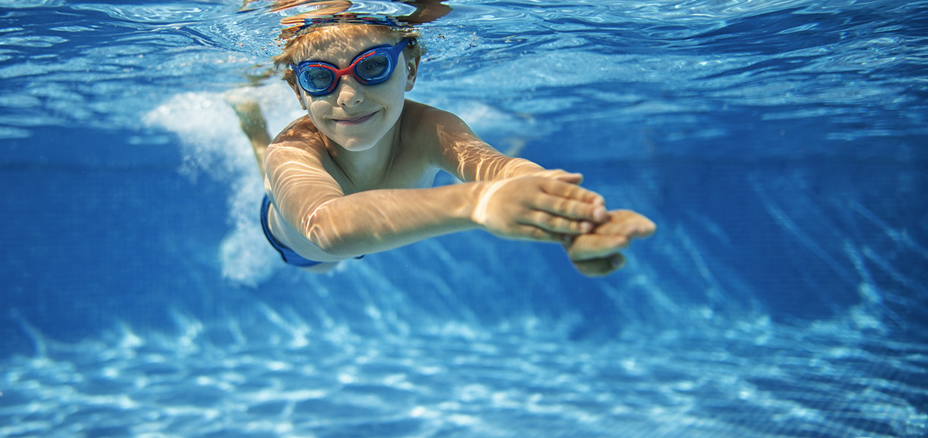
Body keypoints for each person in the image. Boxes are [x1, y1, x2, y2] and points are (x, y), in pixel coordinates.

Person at [232, 21, 655, 277]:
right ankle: (254, 129)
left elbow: (500, 170)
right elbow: (327, 227)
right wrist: (479, 204)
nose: (349, 96)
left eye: (373, 66)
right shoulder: (293, 152)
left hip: (357, 238)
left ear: (410, 68)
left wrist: (576, 220)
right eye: (320, 77)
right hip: (298, 245)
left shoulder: (431, 130)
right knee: (316, 246)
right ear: (299, 92)